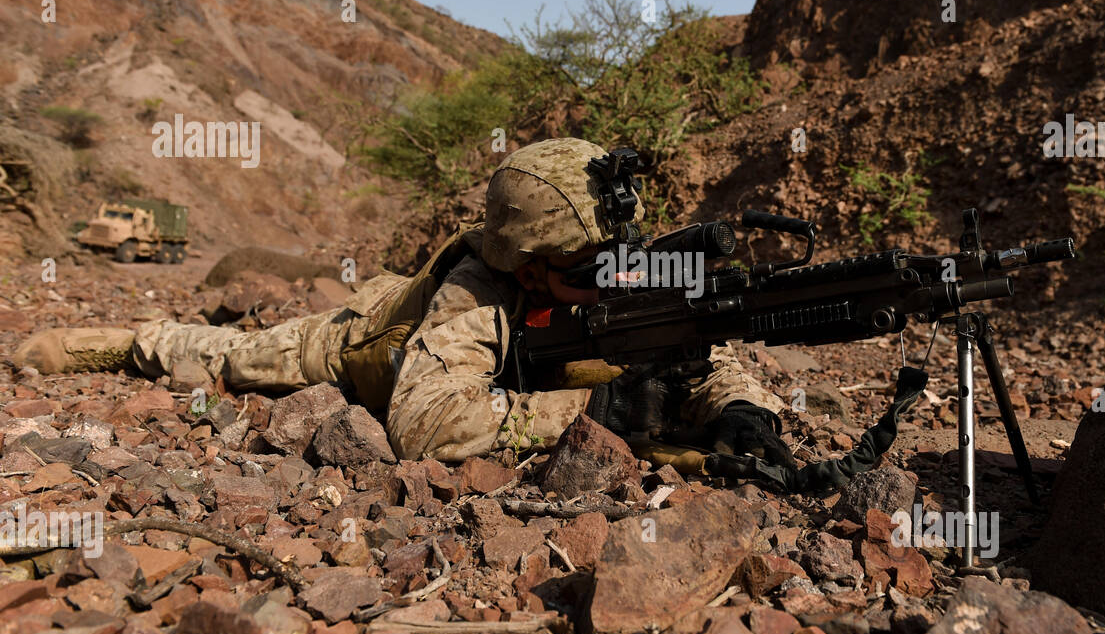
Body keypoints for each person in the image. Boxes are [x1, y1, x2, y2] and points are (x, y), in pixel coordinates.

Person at [16, 138, 794, 468]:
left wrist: (741, 410)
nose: (612, 277)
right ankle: (126, 341)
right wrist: (593, 412)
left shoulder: (617, 276)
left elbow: (700, 355)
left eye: (617, 260)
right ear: (527, 269)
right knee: (239, 359)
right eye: (584, 267)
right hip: (368, 335)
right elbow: (421, 424)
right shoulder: (476, 294)